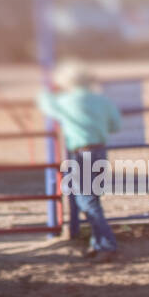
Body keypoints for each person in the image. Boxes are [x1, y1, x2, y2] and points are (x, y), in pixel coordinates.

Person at [37, 59, 122, 260]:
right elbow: (115, 126)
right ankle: (98, 243)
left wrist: (46, 89)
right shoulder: (102, 101)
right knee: (92, 199)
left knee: (85, 201)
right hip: (100, 151)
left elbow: (46, 105)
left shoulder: (64, 102)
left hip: (80, 153)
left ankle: (108, 244)